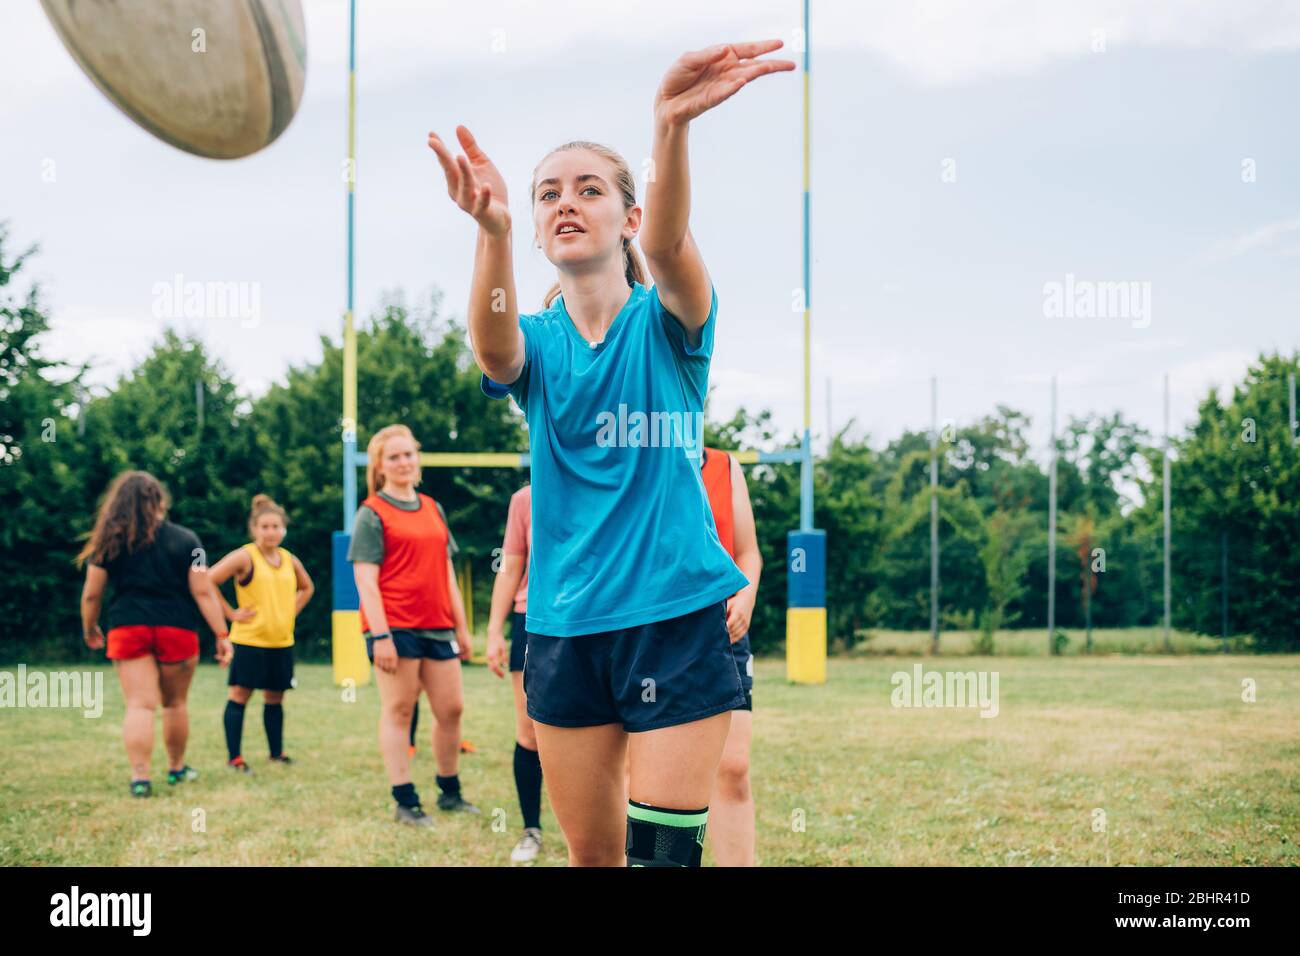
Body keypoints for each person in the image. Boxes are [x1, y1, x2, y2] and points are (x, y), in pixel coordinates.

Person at [428, 40, 793, 865]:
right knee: (594, 859)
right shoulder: (541, 345)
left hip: (675, 617)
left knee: (662, 858)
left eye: (590, 189)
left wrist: (669, 128)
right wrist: (491, 231)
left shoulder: (669, 324)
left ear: (627, 217)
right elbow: (492, 348)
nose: (566, 202)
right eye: (548, 193)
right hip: (565, 629)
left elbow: (668, 250)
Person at [348, 424, 479, 825]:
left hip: (438, 626)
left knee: (451, 709)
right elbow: (366, 580)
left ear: (417, 458)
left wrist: (461, 627)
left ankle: (449, 792)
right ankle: (405, 801)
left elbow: (445, 571)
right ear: (381, 466)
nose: (403, 462)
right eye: (394, 457)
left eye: (409, 454)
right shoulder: (372, 513)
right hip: (395, 628)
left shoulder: (433, 508)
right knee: (400, 711)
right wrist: (381, 635)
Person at [77, 470, 232, 797]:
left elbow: (92, 594)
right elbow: (203, 592)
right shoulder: (189, 540)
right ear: (159, 501)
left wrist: (90, 628)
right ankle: (176, 769)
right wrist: (222, 633)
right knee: (175, 704)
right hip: (177, 628)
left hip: (127, 627)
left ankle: (140, 779)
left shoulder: (108, 541)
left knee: (140, 706)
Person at [208, 494, 314, 772]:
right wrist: (231, 613)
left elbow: (307, 588)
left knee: (275, 697)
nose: (271, 532)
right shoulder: (245, 556)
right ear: (254, 529)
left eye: (276, 526)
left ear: (284, 529)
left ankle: (276, 754)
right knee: (240, 695)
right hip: (249, 640)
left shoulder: (289, 559)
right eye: (265, 527)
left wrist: (289, 611)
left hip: (281, 641)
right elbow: (207, 580)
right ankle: (235, 758)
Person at [698, 447, 762, 866]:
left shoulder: (723, 466)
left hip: (722, 632)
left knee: (733, 768)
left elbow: (748, 553)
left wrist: (745, 597)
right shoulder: (633, 454)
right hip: (651, 632)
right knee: (639, 776)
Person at [484, 484, 544, 863]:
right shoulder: (525, 499)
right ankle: (531, 829)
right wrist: (493, 630)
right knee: (530, 734)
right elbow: (509, 567)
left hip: (596, 618)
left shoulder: (611, 475)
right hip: (532, 620)